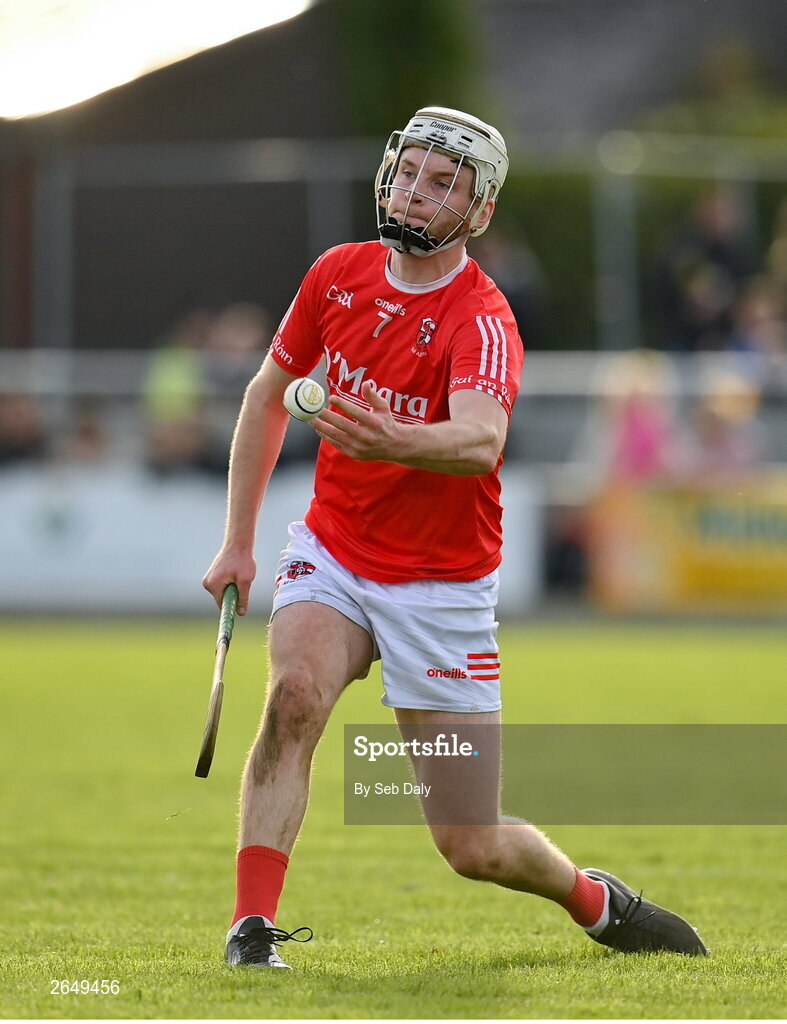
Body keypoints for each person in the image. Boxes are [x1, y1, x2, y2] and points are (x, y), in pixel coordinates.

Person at [202, 106, 708, 969]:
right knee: (294, 695)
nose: (414, 191)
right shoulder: (336, 275)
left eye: (442, 184)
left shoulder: (482, 318)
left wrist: (385, 438)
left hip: (438, 589)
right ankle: (252, 929)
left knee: (472, 843)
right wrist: (238, 544)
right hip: (333, 551)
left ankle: (595, 900)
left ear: (479, 212)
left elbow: (479, 440)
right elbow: (264, 397)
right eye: (407, 171)